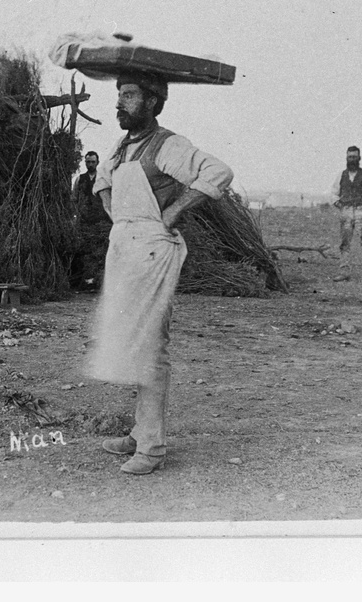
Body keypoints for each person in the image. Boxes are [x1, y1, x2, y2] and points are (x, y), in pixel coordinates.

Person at [87, 72, 233, 475]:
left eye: (130, 95)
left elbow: (217, 172)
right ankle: (139, 432)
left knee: (150, 343)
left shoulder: (168, 145)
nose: (120, 102)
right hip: (125, 248)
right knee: (130, 341)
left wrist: (174, 212)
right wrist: (115, 212)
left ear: (152, 102)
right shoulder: (122, 146)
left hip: (154, 249)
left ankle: (151, 448)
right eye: (119, 94)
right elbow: (102, 181)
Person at [331, 145, 362, 283]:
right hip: (346, 212)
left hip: (361, 211)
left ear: (359, 158)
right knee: (344, 244)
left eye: (354, 157)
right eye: (349, 157)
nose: (352, 159)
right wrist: (340, 206)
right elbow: (334, 194)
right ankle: (344, 272)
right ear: (346, 158)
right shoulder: (341, 175)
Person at [69, 151, 110, 289]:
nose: (90, 164)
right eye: (88, 162)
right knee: (85, 253)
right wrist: (76, 216)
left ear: (97, 162)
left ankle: (99, 283)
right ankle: (85, 283)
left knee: (100, 252)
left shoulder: (103, 179)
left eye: (93, 161)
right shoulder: (80, 179)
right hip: (84, 221)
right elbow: (74, 198)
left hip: (101, 221)